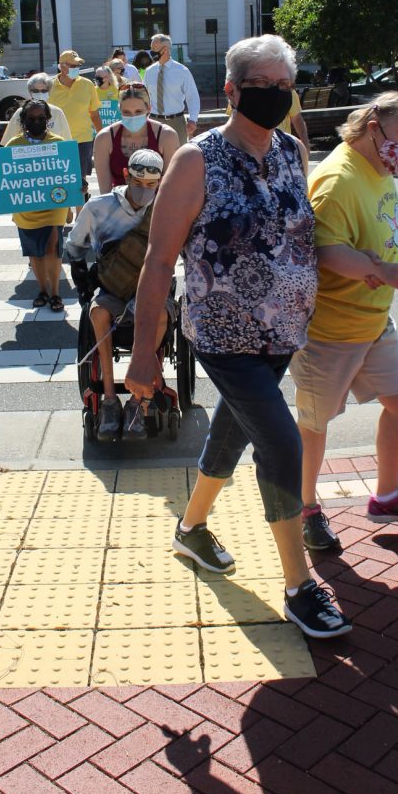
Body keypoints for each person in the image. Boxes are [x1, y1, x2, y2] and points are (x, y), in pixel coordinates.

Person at [125, 34, 351, 641]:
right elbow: (157, 262)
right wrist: (145, 353)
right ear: (230, 91)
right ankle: (301, 587)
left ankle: (191, 528)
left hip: (284, 332)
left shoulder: (291, 152)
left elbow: (300, 237)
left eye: (285, 87)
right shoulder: (196, 161)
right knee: (281, 444)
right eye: (263, 87)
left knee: (233, 429)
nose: (277, 97)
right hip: (225, 333)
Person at [289, 92, 398, 555]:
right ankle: (304, 510)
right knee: (314, 426)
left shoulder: (378, 168)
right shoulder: (337, 179)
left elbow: (375, 223)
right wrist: (386, 272)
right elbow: (328, 251)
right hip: (329, 331)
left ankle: (387, 496)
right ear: (373, 127)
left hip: (372, 320)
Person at [66, 149, 171, 441]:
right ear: (126, 175)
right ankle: (110, 399)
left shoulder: (166, 209)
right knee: (98, 312)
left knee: (161, 315)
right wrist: (82, 282)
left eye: (152, 185)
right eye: (139, 182)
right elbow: (74, 247)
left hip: (151, 289)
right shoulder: (99, 207)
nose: (145, 190)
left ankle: (138, 401)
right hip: (112, 285)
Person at [5, 99, 68, 311]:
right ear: (23, 120)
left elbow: (68, 174)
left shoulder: (59, 143)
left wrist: (80, 186)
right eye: (31, 118)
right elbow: (5, 175)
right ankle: (42, 289)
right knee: (35, 253)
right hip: (26, 208)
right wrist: (0, 186)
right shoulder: (13, 145)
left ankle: (56, 293)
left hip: (54, 207)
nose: (36, 122)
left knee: (52, 248)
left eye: (41, 118)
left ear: (48, 120)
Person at [93, 82, 179, 194]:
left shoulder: (166, 136)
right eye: (126, 112)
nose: (133, 117)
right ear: (119, 110)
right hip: (117, 204)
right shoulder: (105, 138)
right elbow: (105, 191)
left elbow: (170, 185)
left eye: (138, 112)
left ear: (149, 108)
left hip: (157, 204)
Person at [48, 50, 102, 216]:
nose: (76, 68)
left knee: (80, 181)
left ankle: (80, 216)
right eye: (72, 65)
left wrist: (102, 135)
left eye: (78, 65)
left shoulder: (87, 85)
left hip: (83, 139)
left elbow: (94, 113)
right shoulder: (49, 86)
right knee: (59, 179)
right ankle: (65, 210)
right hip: (56, 141)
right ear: (62, 66)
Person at [143, 33, 200, 147]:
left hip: (176, 121)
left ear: (165, 49)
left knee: (179, 157)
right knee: (154, 156)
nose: (151, 52)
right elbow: (145, 96)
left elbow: (192, 96)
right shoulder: (149, 71)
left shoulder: (182, 71)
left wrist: (193, 120)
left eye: (154, 48)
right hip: (154, 121)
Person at [0, 73, 70, 145]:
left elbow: (67, 142)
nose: (40, 93)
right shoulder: (20, 112)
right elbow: (8, 142)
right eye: (35, 91)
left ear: (49, 91)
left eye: (43, 91)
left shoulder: (57, 112)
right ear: (30, 92)